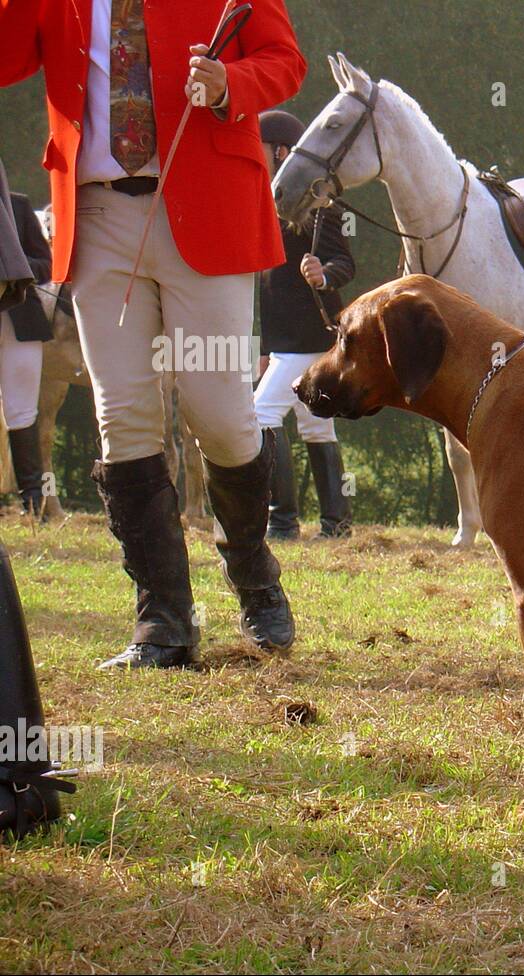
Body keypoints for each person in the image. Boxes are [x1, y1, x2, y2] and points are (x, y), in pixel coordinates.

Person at [0, 0, 307, 669]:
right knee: (125, 414)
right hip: (98, 215)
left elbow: (285, 62)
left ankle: (254, 576)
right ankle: (163, 623)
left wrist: (229, 84)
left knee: (220, 415)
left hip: (210, 206)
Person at [253, 109, 355, 541]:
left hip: (312, 336)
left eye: (259, 150)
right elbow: (268, 286)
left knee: (260, 414)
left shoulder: (318, 207)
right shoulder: (265, 206)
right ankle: (336, 524)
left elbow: (344, 262)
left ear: (280, 152)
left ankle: (281, 521)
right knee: (315, 425)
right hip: (285, 341)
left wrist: (323, 274)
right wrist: (265, 347)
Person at [0, 189, 52, 517]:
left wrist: (13, 268)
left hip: (22, 323)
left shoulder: (18, 205)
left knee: (23, 413)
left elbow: (46, 264)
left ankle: (33, 502)